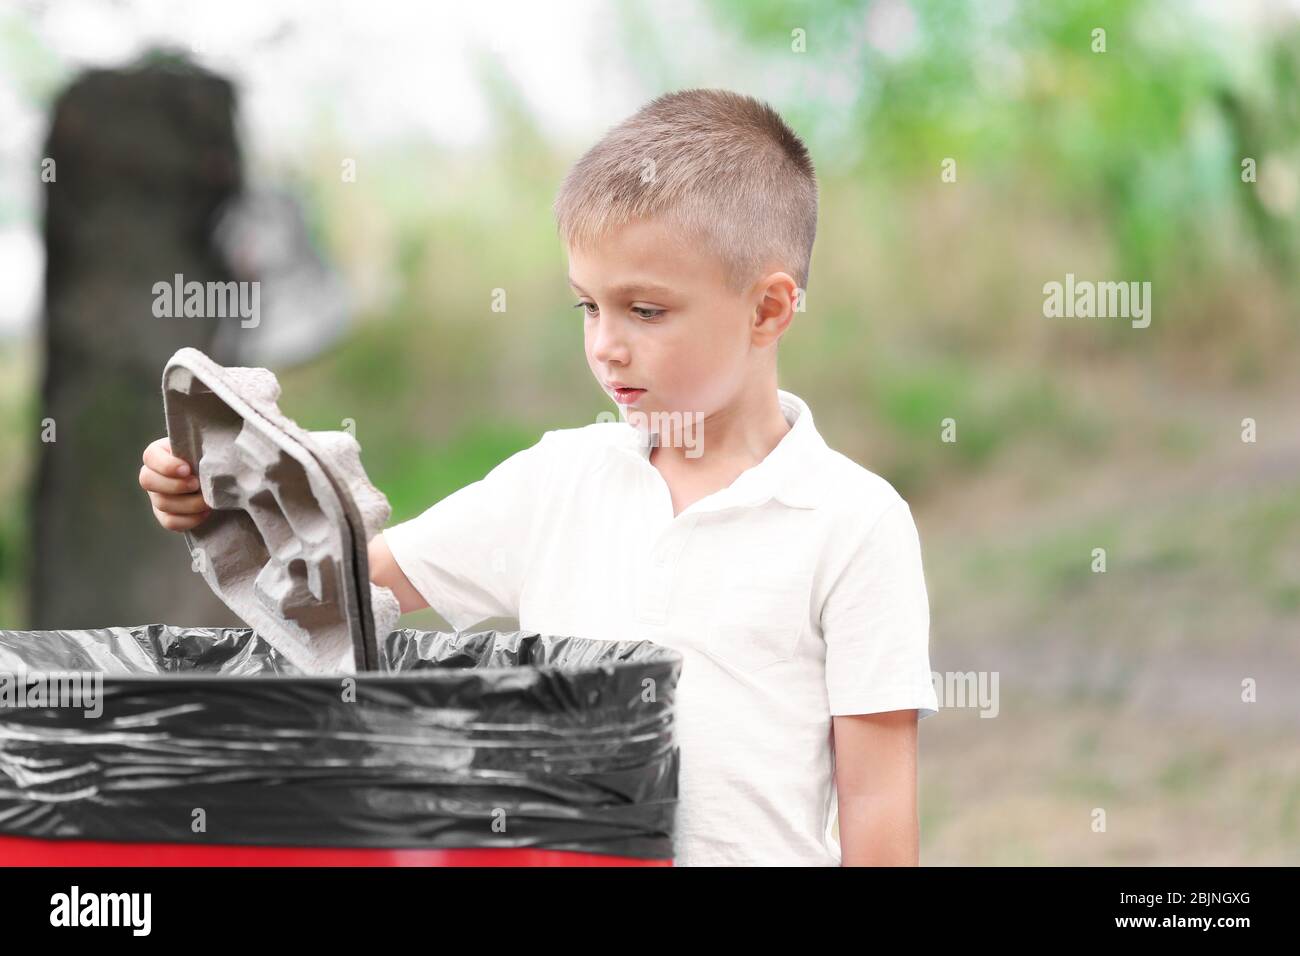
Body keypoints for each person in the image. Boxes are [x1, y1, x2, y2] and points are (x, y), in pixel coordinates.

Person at [140, 88, 940, 866]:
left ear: (768, 310)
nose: (606, 347)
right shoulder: (557, 482)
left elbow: (875, 805)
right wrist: (217, 499)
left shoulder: (854, 522)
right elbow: (337, 587)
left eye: (646, 311)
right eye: (587, 307)